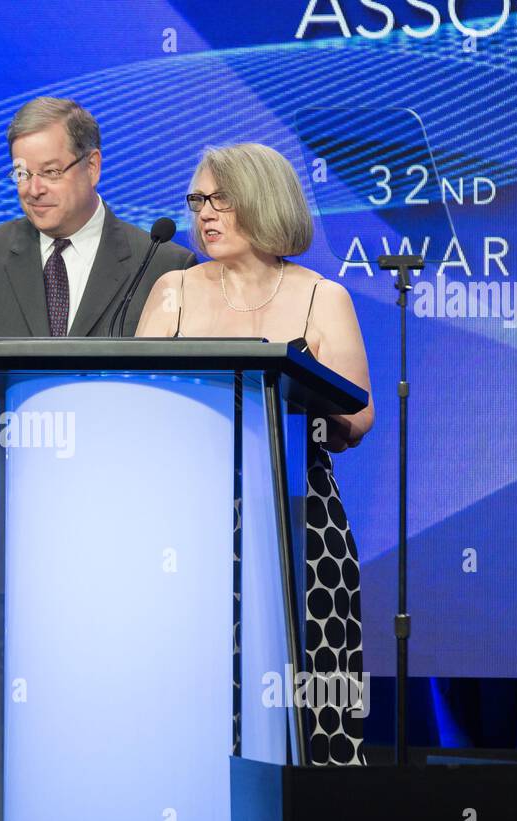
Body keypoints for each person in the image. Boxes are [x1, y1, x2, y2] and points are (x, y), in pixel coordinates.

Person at [137, 143, 375, 767]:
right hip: (184, 522)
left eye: (221, 200)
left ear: (263, 203)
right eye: (198, 202)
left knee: (308, 699)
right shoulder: (173, 291)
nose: (205, 215)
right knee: (191, 695)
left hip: (299, 517)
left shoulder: (323, 297)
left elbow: (357, 416)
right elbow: (137, 402)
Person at [0, 97, 195, 341]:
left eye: (51, 172)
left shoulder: (163, 265)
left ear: (92, 167)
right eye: (22, 174)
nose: (34, 190)